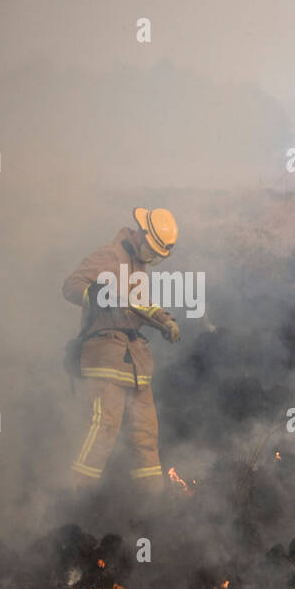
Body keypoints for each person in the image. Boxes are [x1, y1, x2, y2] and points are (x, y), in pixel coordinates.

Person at [61, 207, 181, 492]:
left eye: (157, 256)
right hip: (105, 353)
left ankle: (153, 503)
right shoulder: (109, 256)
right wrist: (96, 294)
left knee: (145, 434)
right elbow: (71, 286)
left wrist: (166, 322)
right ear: (140, 234)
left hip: (135, 360)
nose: (151, 258)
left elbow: (142, 306)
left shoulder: (137, 266)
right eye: (150, 250)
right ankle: (75, 498)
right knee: (105, 426)